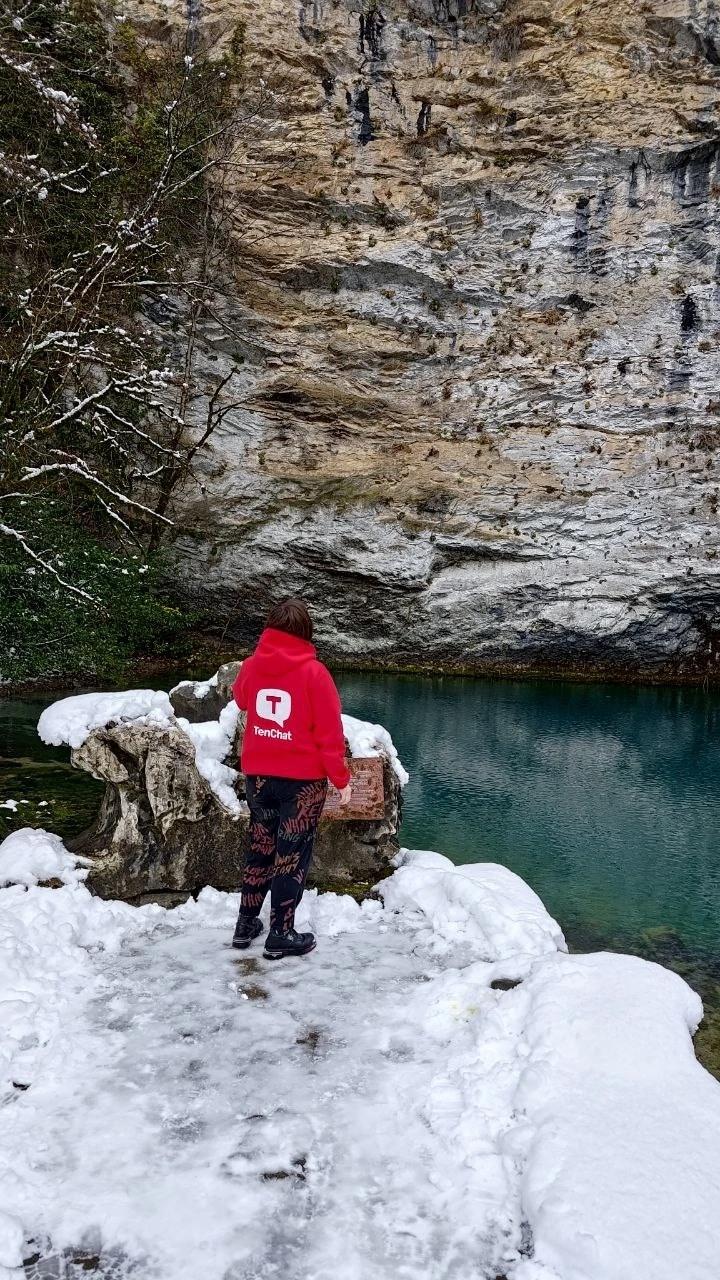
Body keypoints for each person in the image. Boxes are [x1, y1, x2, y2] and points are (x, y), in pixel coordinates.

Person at [230, 598, 352, 959]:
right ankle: (280, 933)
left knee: (260, 849)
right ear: (306, 632)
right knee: (290, 857)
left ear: (269, 628)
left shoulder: (253, 666)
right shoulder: (315, 674)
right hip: (302, 783)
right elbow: (328, 734)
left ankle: (245, 925)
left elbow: (240, 699)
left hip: (259, 778)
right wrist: (341, 780)